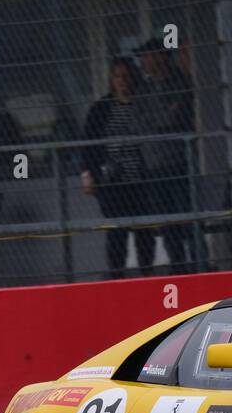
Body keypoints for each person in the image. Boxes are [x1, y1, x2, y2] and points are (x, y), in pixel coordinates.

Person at [81, 57, 154, 278]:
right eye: (117, 76)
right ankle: (117, 276)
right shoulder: (101, 108)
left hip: (143, 177)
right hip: (113, 179)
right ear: (111, 80)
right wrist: (88, 174)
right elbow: (89, 144)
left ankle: (147, 275)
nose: (122, 81)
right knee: (117, 230)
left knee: (144, 230)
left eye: (126, 76)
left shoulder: (145, 104)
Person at [137, 37, 196, 274]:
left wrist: (159, 121)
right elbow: (139, 123)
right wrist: (160, 120)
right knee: (167, 221)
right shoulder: (145, 89)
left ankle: (197, 263)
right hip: (154, 165)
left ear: (162, 56)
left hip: (178, 162)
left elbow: (174, 117)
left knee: (188, 217)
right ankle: (178, 266)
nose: (144, 61)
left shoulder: (179, 82)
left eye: (149, 56)